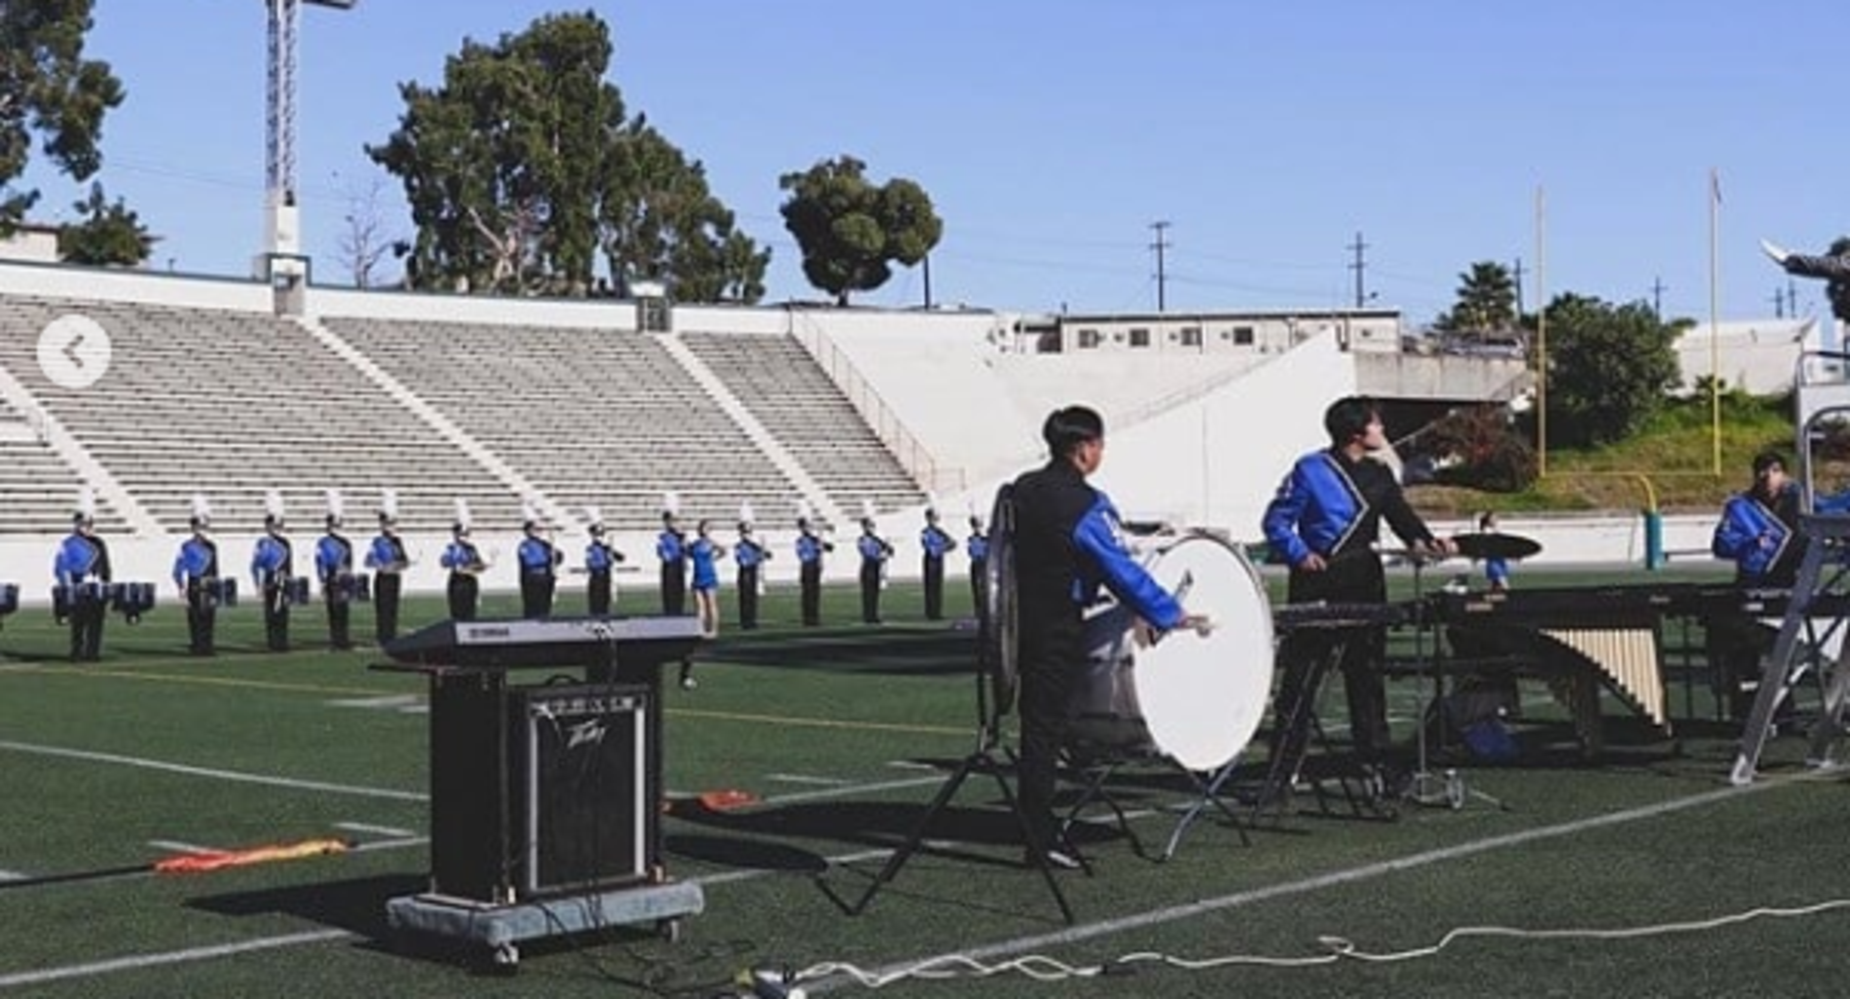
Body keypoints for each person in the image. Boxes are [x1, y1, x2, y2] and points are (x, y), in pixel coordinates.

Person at [1008, 404, 1207, 870]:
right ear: (1084, 449)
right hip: (1059, 621)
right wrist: (1167, 611)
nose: (1101, 454)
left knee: (1038, 724)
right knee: (1047, 729)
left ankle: (1040, 823)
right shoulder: (1084, 503)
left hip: (1020, 620)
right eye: (1099, 445)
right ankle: (1039, 836)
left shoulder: (1022, 489)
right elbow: (1117, 567)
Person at [1261, 395, 1452, 791]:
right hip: (1318, 581)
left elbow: (1402, 517)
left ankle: (1377, 761)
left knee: (1367, 676)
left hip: (1365, 581)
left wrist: (1425, 541)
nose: (1382, 429)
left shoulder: (1380, 473)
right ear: (1355, 433)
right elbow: (1275, 522)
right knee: (1303, 678)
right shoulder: (1311, 469)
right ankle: (1282, 768)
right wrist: (1300, 554)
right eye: (1376, 423)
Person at [1710, 450, 1805, 720]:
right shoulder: (1741, 506)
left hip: (1791, 586)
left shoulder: (1801, 501)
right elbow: (1721, 545)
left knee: (1782, 653)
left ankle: (1784, 709)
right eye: (1762, 471)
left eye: (1775, 470)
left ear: (1784, 475)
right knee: (1747, 652)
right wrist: (1749, 544)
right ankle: (1745, 712)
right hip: (1752, 586)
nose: (1768, 477)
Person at [53, 490, 110, 662]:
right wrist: (67, 585)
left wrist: (106, 584)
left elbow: (105, 566)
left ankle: (93, 652)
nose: (88, 527)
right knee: (78, 622)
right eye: (84, 524)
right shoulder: (68, 543)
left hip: (96, 587)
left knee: (96, 621)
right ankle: (76, 651)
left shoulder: (99, 543)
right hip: (78, 586)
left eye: (90, 524)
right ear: (77, 524)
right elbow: (61, 566)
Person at [173, 495, 220, 656]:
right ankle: (197, 645)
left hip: (209, 585)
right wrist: (181, 587)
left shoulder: (212, 546)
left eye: (203, 526)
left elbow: (215, 570)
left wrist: (215, 590)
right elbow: (178, 569)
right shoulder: (186, 546)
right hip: (194, 585)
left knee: (209, 618)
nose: (201, 530)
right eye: (198, 526)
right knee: (195, 618)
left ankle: (207, 645)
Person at [251, 490, 294, 652]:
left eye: (275, 524)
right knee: (270, 613)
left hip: (282, 581)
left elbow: (289, 566)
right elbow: (255, 565)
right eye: (270, 525)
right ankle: (273, 642)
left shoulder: (285, 543)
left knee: (282, 612)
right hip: (270, 581)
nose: (273, 528)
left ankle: (282, 641)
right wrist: (258, 584)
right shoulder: (262, 543)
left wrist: (289, 583)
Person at [366, 489, 409, 645]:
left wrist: (398, 565)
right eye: (386, 524)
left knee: (393, 608)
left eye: (391, 524)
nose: (389, 527)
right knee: (382, 609)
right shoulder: (377, 542)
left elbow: (404, 561)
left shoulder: (398, 541)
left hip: (394, 578)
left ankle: (391, 636)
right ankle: (382, 637)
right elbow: (369, 560)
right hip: (383, 578)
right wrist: (382, 566)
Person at [316, 490, 355, 651]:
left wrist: (346, 576)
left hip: (341, 579)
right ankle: (336, 640)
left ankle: (342, 640)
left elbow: (349, 562)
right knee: (333, 611)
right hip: (331, 579)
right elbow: (320, 562)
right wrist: (322, 580)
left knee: (342, 611)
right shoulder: (323, 542)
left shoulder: (345, 542)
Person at [440, 500, 487, 622]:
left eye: (466, 534)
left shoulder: (471, 548)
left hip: (470, 582)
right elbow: (444, 562)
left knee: (470, 615)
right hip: (457, 583)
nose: (464, 537)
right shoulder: (451, 548)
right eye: (461, 534)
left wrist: (483, 565)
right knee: (457, 615)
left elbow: (478, 564)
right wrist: (455, 561)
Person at [516, 505, 562, 619]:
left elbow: (558, 558)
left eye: (538, 529)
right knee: (533, 609)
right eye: (534, 529)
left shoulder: (545, 544)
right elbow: (530, 561)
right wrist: (547, 558)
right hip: (532, 580)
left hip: (545, 579)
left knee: (545, 609)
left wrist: (556, 555)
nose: (537, 532)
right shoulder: (524, 546)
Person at [688, 519, 728, 637]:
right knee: (699, 606)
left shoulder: (711, 543)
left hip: (709, 575)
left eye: (705, 528)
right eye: (701, 528)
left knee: (711, 604)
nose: (702, 530)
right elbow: (689, 553)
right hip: (697, 576)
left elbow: (724, 551)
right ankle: (701, 629)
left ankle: (714, 630)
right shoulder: (695, 544)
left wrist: (714, 558)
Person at [795, 507, 832, 627]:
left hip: (815, 568)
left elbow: (830, 548)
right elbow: (802, 555)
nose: (808, 528)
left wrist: (823, 545)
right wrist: (815, 550)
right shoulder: (800, 541)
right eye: (805, 527)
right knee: (807, 594)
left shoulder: (815, 539)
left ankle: (815, 617)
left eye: (809, 526)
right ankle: (807, 618)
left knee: (815, 593)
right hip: (807, 568)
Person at [919, 506, 958, 621]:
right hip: (930, 558)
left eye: (935, 518)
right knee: (930, 586)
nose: (934, 520)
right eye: (932, 518)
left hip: (939, 558)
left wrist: (948, 544)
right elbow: (928, 546)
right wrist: (943, 547)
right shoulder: (925, 532)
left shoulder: (941, 532)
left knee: (938, 585)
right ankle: (930, 612)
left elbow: (952, 543)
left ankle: (937, 611)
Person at [584, 507, 625, 616]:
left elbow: (621, 558)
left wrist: (612, 554)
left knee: (604, 602)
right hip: (596, 576)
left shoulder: (606, 548)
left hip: (605, 576)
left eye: (600, 534)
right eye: (596, 535)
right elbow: (590, 564)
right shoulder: (591, 549)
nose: (598, 537)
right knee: (595, 603)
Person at [857, 514, 894, 625]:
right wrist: (880, 556)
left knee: (875, 593)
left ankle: (874, 614)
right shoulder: (862, 539)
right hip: (869, 566)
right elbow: (867, 553)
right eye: (867, 526)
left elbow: (890, 551)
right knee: (868, 593)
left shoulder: (878, 539)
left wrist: (887, 550)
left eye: (871, 526)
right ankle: (868, 615)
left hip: (877, 567)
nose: (870, 528)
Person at [734, 512, 768, 630]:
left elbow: (762, 556)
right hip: (745, 571)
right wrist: (755, 558)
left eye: (748, 532)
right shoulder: (739, 546)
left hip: (753, 571)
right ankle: (745, 621)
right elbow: (740, 559)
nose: (746, 535)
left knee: (752, 597)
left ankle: (752, 619)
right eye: (744, 532)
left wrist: (762, 554)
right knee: (744, 597)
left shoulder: (754, 546)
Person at [658, 496, 689, 616]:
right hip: (669, 565)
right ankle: (669, 614)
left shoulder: (680, 536)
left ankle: (678, 612)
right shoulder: (663, 536)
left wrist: (683, 544)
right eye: (670, 521)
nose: (673, 523)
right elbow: (662, 553)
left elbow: (685, 550)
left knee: (679, 592)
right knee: (669, 592)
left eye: (675, 521)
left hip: (679, 564)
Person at [1478, 511, 1511, 592]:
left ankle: (1482, 596)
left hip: (1500, 558)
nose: (1496, 519)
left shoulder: (1495, 528)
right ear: (1488, 520)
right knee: (1503, 583)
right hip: (1493, 560)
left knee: (1493, 584)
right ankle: (1512, 597)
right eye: (1493, 518)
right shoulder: (1486, 530)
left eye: (1496, 518)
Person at [966, 514, 989, 619]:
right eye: (975, 526)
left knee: (984, 588)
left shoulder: (986, 539)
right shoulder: (971, 539)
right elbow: (970, 552)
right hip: (976, 563)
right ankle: (978, 611)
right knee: (976, 589)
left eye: (978, 526)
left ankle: (985, 610)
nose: (977, 528)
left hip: (984, 564)